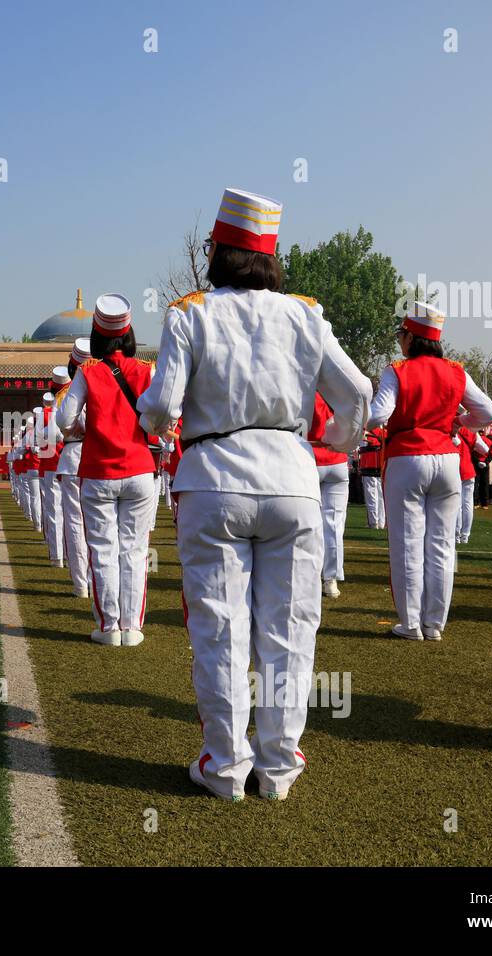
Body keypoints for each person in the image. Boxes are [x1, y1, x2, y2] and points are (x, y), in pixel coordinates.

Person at [138, 187, 372, 801]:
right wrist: (338, 445)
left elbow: (161, 403)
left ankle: (224, 764)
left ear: (217, 252)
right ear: (271, 256)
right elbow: (355, 393)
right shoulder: (305, 314)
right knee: (291, 626)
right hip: (292, 481)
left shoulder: (189, 312)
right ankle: (278, 765)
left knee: (220, 627)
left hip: (213, 477)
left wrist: (149, 423)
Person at [369, 303, 492, 639]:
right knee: (441, 546)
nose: (399, 340)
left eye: (401, 334)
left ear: (412, 337)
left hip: (407, 458)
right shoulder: (457, 370)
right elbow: (489, 412)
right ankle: (434, 624)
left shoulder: (396, 370)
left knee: (407, 543)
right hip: (447, 459)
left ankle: (410, 624)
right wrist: (460, 421)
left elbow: (378, 415)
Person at [55, 293, 155, 647]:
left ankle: (108, 626)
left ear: (97, 336)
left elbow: (63, 418)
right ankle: (133, 626)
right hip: (141, 470)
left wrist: (80, 430)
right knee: (135, 549)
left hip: (98, 472)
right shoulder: (145, 371)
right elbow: (161, 416)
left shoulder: (87, 371)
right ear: (128, 335)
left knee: (104, 548)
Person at [54, 341, 91, 598]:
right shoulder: (108, 384)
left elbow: (64, 426)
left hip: (74, 454)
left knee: (76, 522)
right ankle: (93, 580)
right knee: (97, 523)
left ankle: (81, 584)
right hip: (94, 455)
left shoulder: (64, 394)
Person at [309, 388, 349, 598]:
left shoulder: (305, 389)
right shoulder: (336, 392)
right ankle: (330, 579)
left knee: (309, 523)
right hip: (337, 459)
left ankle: (312, 574)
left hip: (310, 457)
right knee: (333, 524)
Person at [36, 385, 65, 567]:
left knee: (53, 510)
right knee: (75, 513)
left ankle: (57, 556)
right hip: (72, 463)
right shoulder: (71, 408)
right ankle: (73, 557)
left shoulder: (43, 416)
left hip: (50, 465)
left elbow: (39, 439)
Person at [453, 419, 489, 545]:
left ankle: (456, 535)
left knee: (457, 505)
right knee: (468, 504)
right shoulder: (470, 431)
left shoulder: (449, 428)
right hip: (468, 470)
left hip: (454, 469)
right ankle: (465, 536)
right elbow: (484, 449)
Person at [359, 426, 387, 529]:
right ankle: (381, 522)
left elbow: (361, 447)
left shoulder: (364, 433)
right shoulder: (383, 432)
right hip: (380, 467)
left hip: (368, 466)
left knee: (371, 495)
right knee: (381, 496)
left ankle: (373, 522)